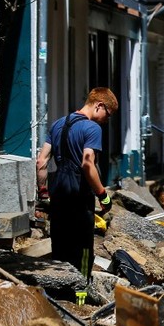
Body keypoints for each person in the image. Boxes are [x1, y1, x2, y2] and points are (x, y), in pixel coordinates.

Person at [36, 87, 117, 303]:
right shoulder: (91, 129)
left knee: (60, 241)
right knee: (82, 244)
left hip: (58, 188)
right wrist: (102, 194)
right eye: (107, 115)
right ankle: (80, 295)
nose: (106, 121)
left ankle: (58, 293)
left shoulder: (58, 124)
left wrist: (43, 192)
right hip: (78, 189)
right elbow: (88, 162)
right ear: (99, 105)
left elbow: (41, 161)